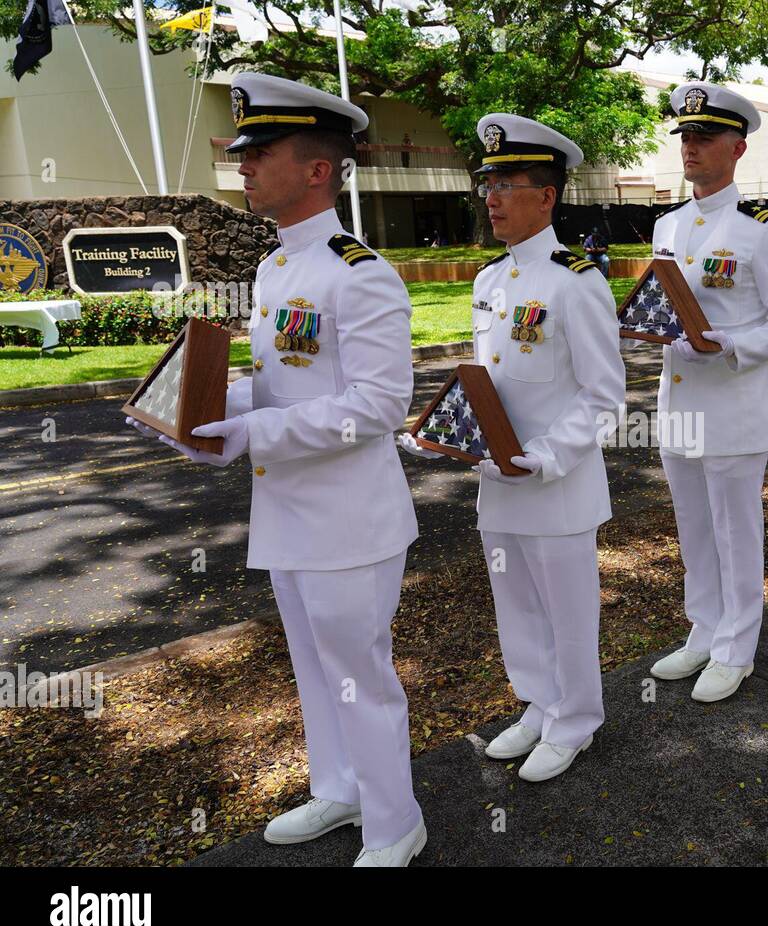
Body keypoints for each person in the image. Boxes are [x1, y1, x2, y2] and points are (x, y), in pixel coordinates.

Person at [126, 73, 424, 866]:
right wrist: (212, 407)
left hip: (350, 520)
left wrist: (257, 429)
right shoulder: (274, 270)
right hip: (289, 511)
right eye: (242, 151)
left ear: (318, 168)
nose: (243, 164)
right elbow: (285, 382)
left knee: (361, 673)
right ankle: (340, 788)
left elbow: (379, 404)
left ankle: (396, 823)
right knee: (314, 667)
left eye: (259, 151)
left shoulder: (359, 272)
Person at [399, 114, 624, 782]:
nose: (490, 197)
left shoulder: (574, 280)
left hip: (556, 485)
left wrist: (549, 455)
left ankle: (576, 719)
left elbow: (604, 395)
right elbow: (489, 385)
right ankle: (539, 702)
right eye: (486, 181)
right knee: (517, 607)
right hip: (497, 482)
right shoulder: (489, 282)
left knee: (567, 611)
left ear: (547, 195)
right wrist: (447, 434)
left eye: (506, 182)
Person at [646, 82, 768, 702]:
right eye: (686, 136)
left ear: (737, 147)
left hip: (734, 403)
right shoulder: (668, 223)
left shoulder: (762, 230)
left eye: (705, 137)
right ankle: (703, 629)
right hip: (678, 404)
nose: (691, 147)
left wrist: (729, 343)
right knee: (692, 527)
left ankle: (737, 646)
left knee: (736, 532)